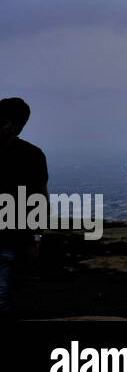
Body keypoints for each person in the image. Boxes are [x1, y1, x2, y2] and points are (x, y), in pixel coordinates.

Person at [0, 98, 47, 314]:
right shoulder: (32, 154)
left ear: (10, 124)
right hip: (14, 236)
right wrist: (35, 237)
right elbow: (38, 198)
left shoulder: (32, 155)